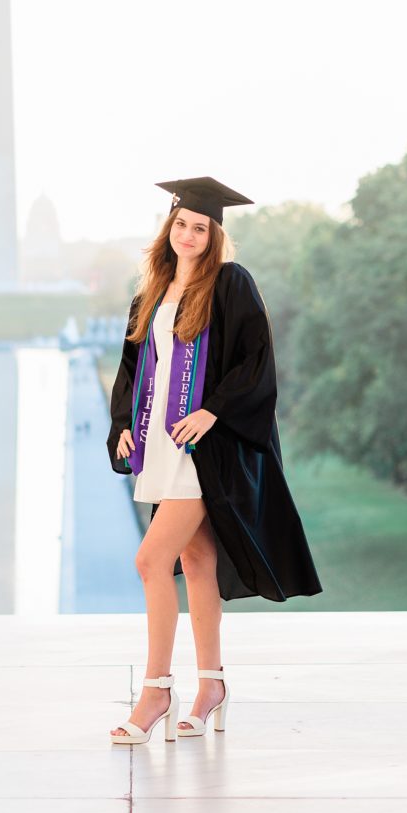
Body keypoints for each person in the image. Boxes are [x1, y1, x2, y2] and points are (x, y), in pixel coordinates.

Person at [105, 175, 323, 744]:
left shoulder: (230, 285)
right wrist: (123, 426)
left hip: (203, 451)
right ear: (168, 227)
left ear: (215, 234)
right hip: (159, 443)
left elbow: (255, 358)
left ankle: (155, 691)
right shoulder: (150, 291)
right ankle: (211, 686)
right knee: (197, 563)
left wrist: (215, 413)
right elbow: (133, 368)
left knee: (152, 561)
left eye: (200, 227)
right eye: (181, 224)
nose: (189, 234)